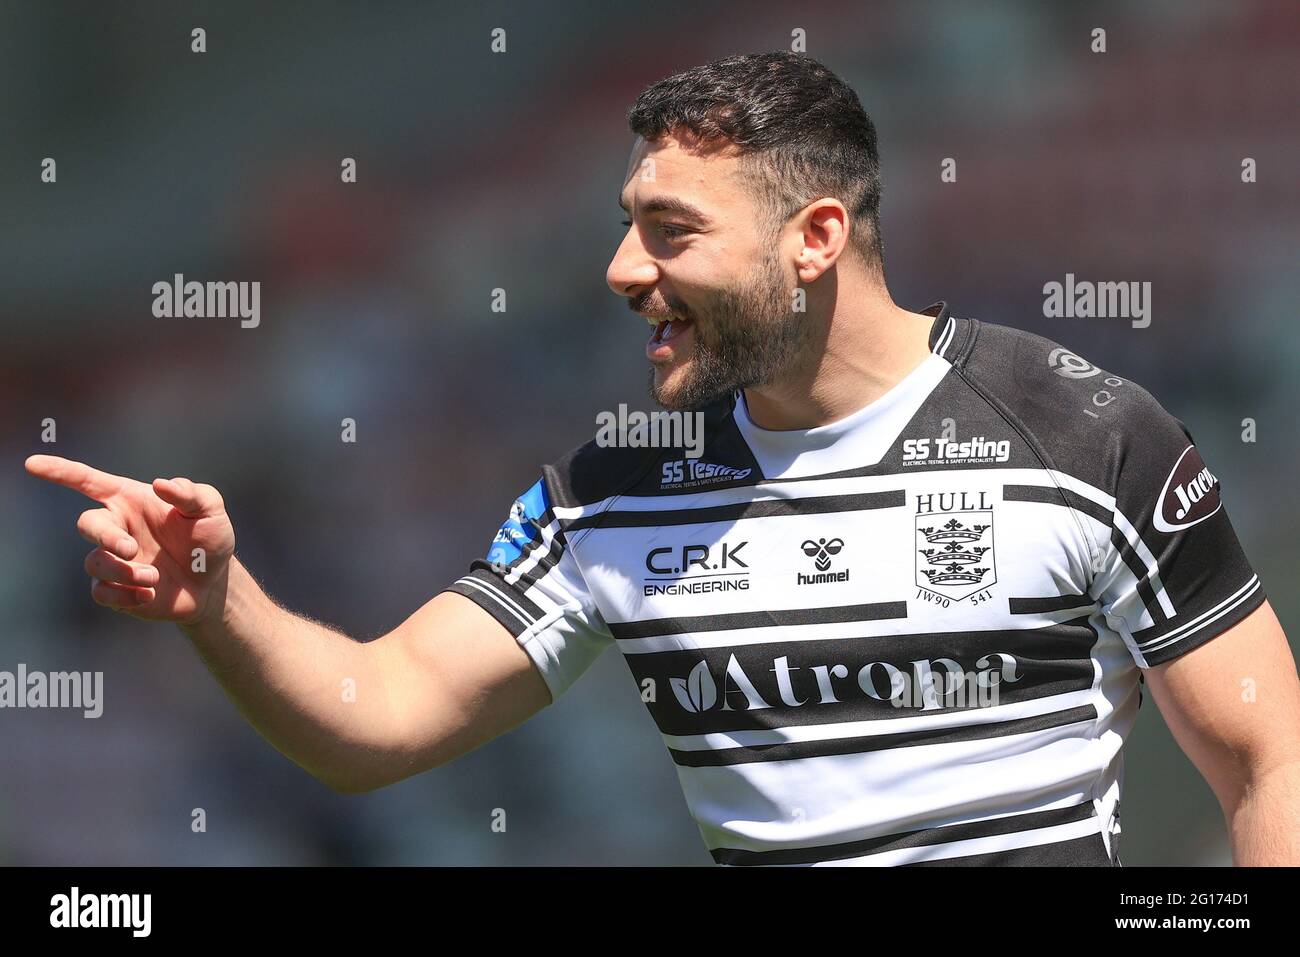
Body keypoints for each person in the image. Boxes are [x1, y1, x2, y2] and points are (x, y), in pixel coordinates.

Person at [27, 52, 1299, 866]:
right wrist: (220, 604)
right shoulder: (611, 489)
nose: (623, 272)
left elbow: (1266, 758)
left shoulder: (1088, 434)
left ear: (813, 238)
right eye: (626, 228)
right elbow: (383, 714)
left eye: (669, 232)